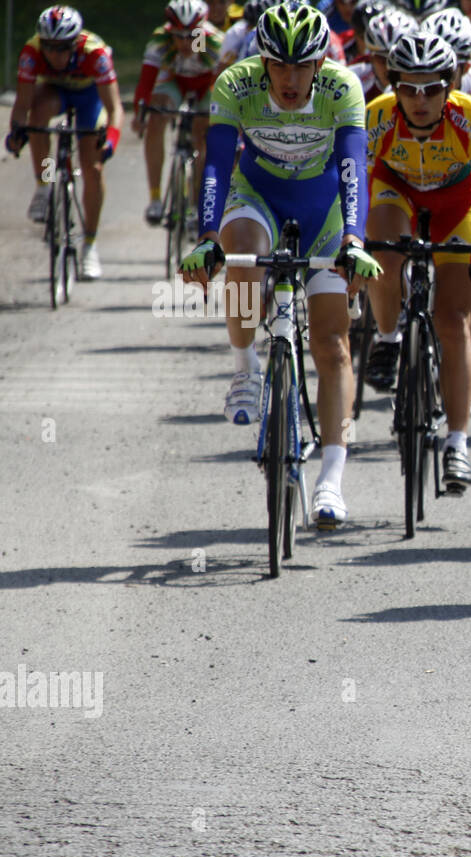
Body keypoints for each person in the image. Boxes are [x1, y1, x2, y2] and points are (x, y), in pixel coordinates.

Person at [180, 3, 382, 528]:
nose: (289, 79)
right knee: (241, 250)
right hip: (258, 194)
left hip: (325, 209)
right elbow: (219, 161)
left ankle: (331, 481)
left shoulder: (342, 89)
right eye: (279, 66)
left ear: (320, 64)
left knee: (333, 344)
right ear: (262, 61)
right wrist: (205, 237)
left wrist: (356, 240)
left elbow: (353, 164)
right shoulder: (234, 84)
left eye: (301, 67)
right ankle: (245, 368)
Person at [363, 33, 471, 493]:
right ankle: (387, 337)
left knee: (454, 319)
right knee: (381, 248)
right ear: (394, 84)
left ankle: (458, 443)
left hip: (454, 207)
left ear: (450, 84)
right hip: (395, 192)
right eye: (408, 87)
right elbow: (352, 192)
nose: (419, 99)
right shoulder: (375, 119)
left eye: (430, 88)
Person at [6, 5, 125, 280]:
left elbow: (115, 107)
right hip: (54, 92)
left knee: (92, 167)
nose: (55, 55)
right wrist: (16, 133)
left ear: (75, 43)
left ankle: (90, 246)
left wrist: (112, 140)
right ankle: (44, 184)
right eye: (49, 47)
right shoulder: (31, 53)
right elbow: (22, 104)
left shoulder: (95, 54)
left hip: (89, 98)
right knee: (37, 118)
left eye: (62, 48)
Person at [134, 0, 224, 227]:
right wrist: (139, 114)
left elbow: (221, 84)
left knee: (202, 136)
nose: (185, 42)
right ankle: (155, 199)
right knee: (157, 114)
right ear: (169, 30)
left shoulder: (213, 42)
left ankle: (196, 204)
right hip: (175, 82)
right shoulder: (160, 41)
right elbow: (146, 82)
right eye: (178, 35)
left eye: (192, 36)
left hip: (206, 85)